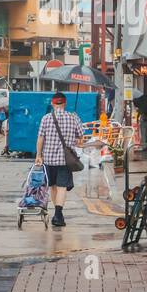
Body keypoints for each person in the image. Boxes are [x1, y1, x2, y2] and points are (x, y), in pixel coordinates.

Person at [35, 92, 83, 228]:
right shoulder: (73, 117)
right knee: (62, 187)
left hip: (49, 159)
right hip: (65, 160)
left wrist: (39, 155)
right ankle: (58, 214)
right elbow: (80, 137)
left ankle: (56, 213)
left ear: (52, 103)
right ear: (65, 103)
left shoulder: (46, 118)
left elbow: (40, 138)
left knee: (53, 186)